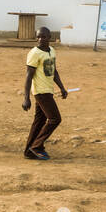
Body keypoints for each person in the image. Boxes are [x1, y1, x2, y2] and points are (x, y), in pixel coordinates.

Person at [23, 26, 67, 160]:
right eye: (38, 37)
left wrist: (62, 87)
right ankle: (37, 146)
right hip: (40, 92)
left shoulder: (52, 51)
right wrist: (26, 98)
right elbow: (28, 76)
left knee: (39, 121)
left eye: (43, 36)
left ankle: (29, 151)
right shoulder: (34, 53)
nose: (40, 39)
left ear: (50, 38)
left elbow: (54, 71)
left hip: (49, 90)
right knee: (55, 119)